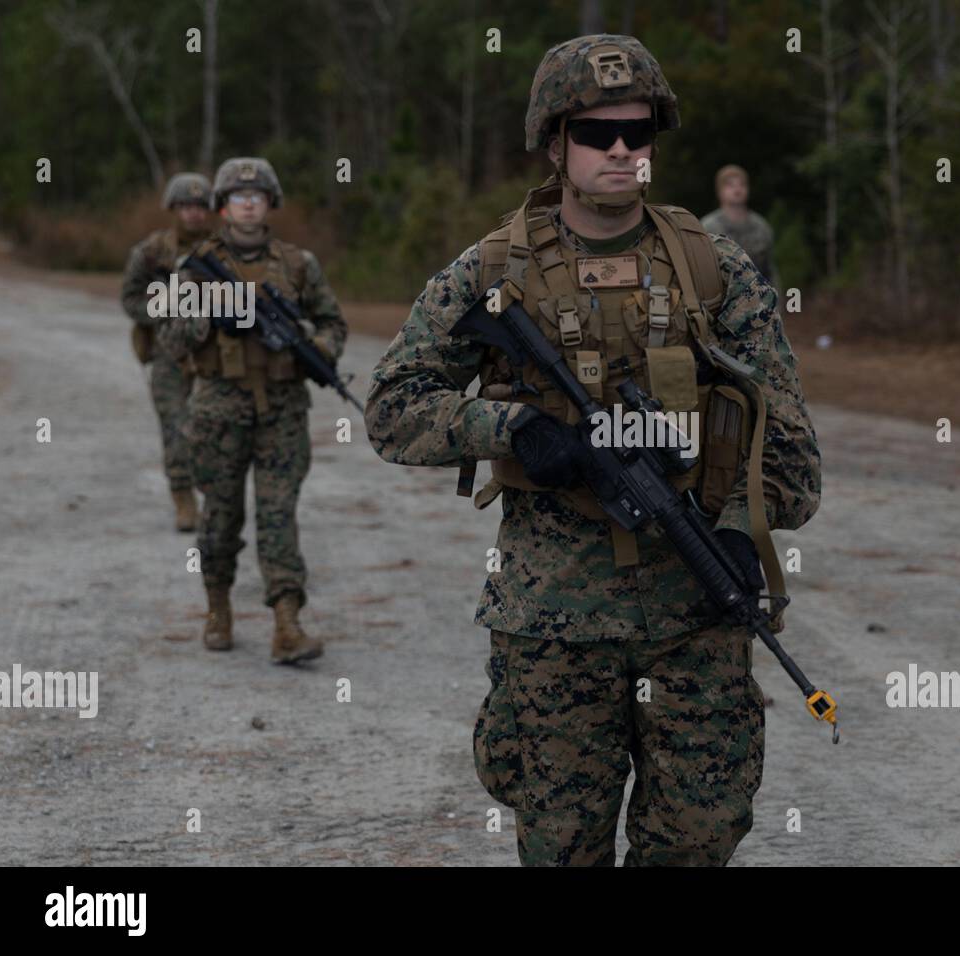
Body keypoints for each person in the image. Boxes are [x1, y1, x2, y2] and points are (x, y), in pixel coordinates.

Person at [366, 35, 821, 866]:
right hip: (554, 620)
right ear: (554, 141)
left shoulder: (713, 271)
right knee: (563, 846)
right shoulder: (493, 271)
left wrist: (738, 529)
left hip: (696, 607)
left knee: (701, 834)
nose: (621, 151)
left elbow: (788, 441)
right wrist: (513, 432)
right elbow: (392, 406)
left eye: (638, 134)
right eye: (597, 133)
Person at [159, 157, 347, 660]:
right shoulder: (194, 267)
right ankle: (218, 607)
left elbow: (333, 324)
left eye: (257, 196)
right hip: (218, 408)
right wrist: (215, 315)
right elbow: (172, 339)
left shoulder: (298, 263)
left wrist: (315, 348)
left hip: (283, 409)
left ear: (270, 204)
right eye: (238, 196)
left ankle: (287, 623)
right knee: (220, 518)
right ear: (223, 207)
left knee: (278, 514)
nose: (247, 202)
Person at [120, 173, 212, 531]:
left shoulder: (224, 250)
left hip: (212, 355)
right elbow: (129, 298)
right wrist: (163, 308)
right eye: (186, 206)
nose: (193, 214)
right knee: (175, 429)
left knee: (211, 430)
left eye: (200, 206)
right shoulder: (153, 251)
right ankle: (183, 499)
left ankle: (216, 499)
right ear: (174, 208)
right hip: (167, 355)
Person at [701, 164, 780, 292]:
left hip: (758, 301)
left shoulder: (761, 227)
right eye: (730, 185)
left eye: (742, 184)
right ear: (720, 191)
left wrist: (776, 304)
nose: (737, 189)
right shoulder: (707, 227)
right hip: (720, 302)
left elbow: (770, 271)